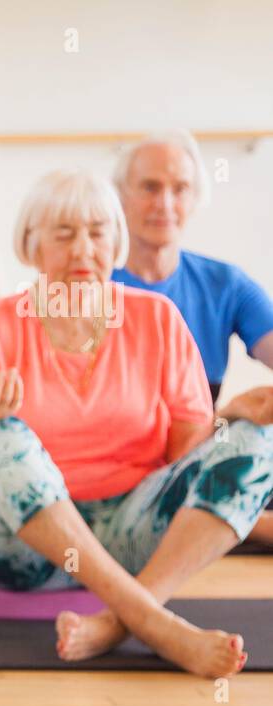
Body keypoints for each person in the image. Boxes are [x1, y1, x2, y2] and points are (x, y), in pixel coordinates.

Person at [0, 168, 273, 678]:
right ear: (31, 245)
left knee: (254, 439)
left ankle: (121, 620)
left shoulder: (157, 318)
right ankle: (155, 624)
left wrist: (230, 420)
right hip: (17, 551)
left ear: (117, 241)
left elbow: (187, 457)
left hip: (133, 536)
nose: (82, 249)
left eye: (97, 232)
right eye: (64, 234)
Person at [111, 129, 273, 547]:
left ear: (193, 198)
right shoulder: (91, 291)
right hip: (120, 477)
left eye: (179, 189)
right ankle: (237, 521)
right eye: (150, 187)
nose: (164, 203)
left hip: (198, 454)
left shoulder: (225, 284)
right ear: (121, 195)